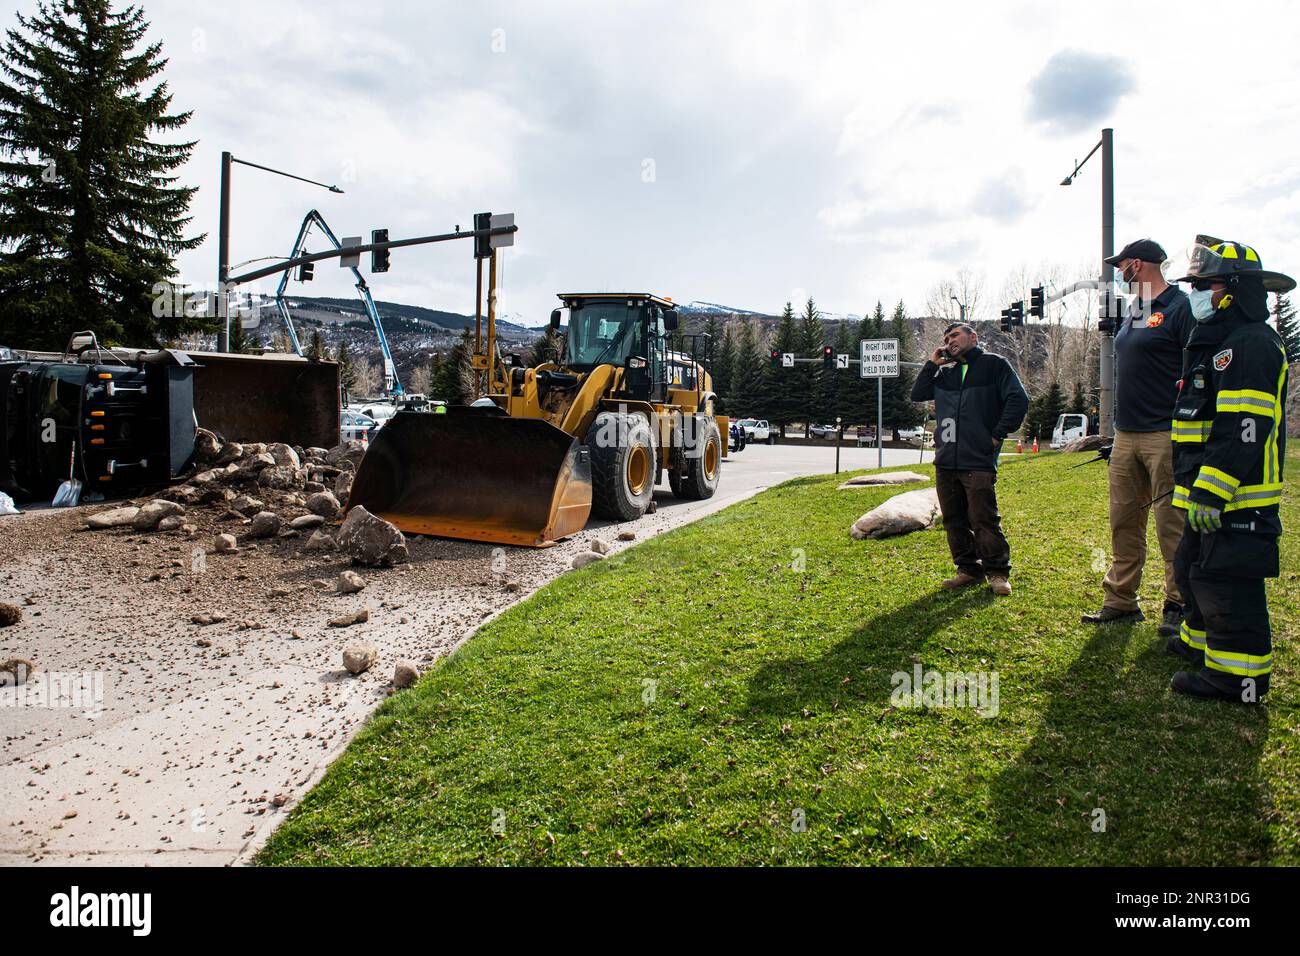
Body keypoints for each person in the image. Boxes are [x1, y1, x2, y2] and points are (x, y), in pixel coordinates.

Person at [1166, 238, 1292, 703]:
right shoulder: (1218, 342)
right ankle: (1199, 647)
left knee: (1226, 581)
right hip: (1207, 490)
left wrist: (1212, 491)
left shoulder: (1252, 344)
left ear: (1234, 290)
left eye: (1205, 284)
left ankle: (1238, 681)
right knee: (1192, 569)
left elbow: (1243, 427)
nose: (1196, 292)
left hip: (1238, 497)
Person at [1081, 239, 1194, 633]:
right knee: (1124, 520)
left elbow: (1196, 373)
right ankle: (1122, 600)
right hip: (1125, 436)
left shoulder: (1181, 308)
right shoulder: (1134, 311)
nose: (1118, 272)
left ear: (1138, 264)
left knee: (1171, 524)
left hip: (1166, 433)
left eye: (1122, 265)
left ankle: (1177, 604)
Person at [911, 322, 1028, 596]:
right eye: (946, 338)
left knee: (983, 518)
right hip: (946, 459)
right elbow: (918, 393)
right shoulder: (946, 373)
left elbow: (1018, 400)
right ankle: (968, 569)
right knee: (953, 519)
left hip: (977, 458)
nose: (950, 340)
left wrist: (997, 435)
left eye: (955, 335)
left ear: (973, 337)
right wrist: (932, 363)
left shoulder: (994, 365)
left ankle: (998, 573)